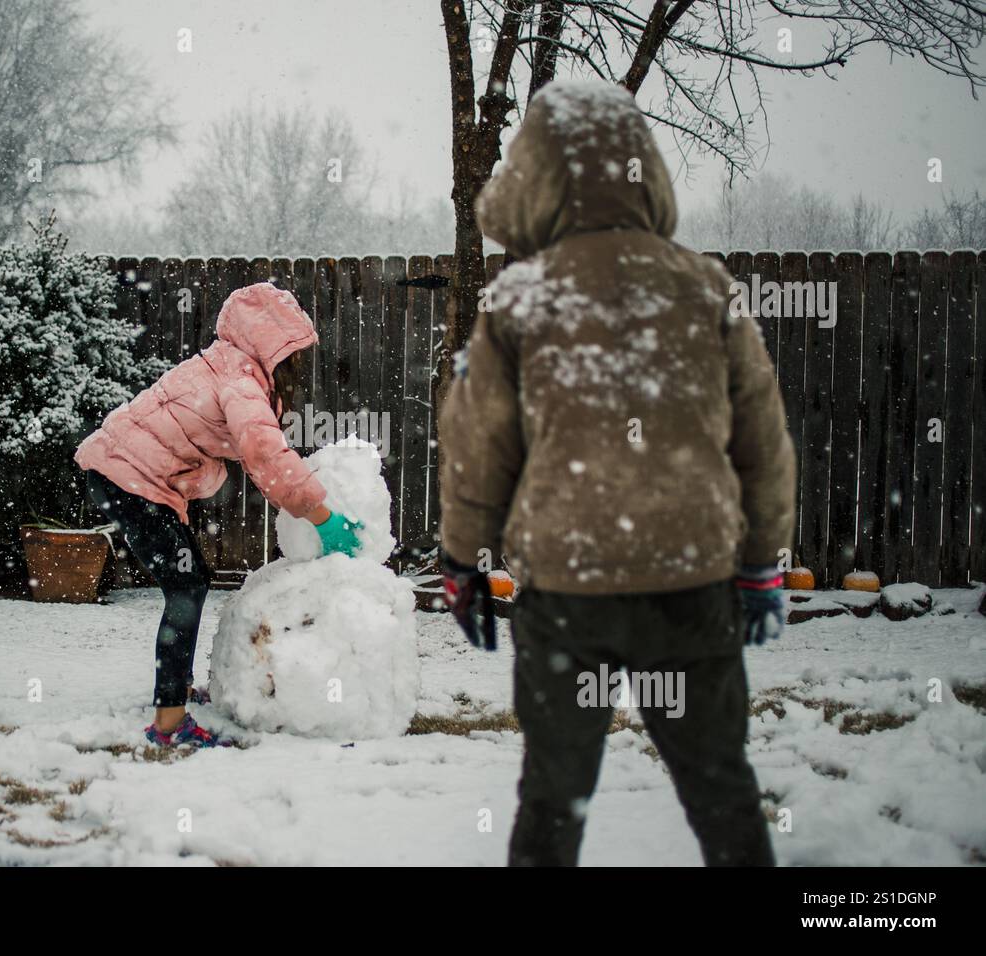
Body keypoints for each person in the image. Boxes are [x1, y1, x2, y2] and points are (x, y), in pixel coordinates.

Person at [438, 80, 796, 866]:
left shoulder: (522, 299)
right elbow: (761, 441)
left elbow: (480, 447)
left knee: (554, 795)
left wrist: (463, 561)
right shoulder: (704, 286)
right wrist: (762, 561)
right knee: (720, 784)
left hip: (569, 591)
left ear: (536, 175)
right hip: (690, 581)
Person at [75, 282, 362, 749]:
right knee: (187, 586)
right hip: (129, 480)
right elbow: (265, 454)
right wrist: (322, 515)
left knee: (188, 581)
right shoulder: (239, 381)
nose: (295, 365)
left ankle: (176, 694)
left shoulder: (223, 367)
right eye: (290, 351)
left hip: (122, 476)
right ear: (269, 343)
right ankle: (168, 723)